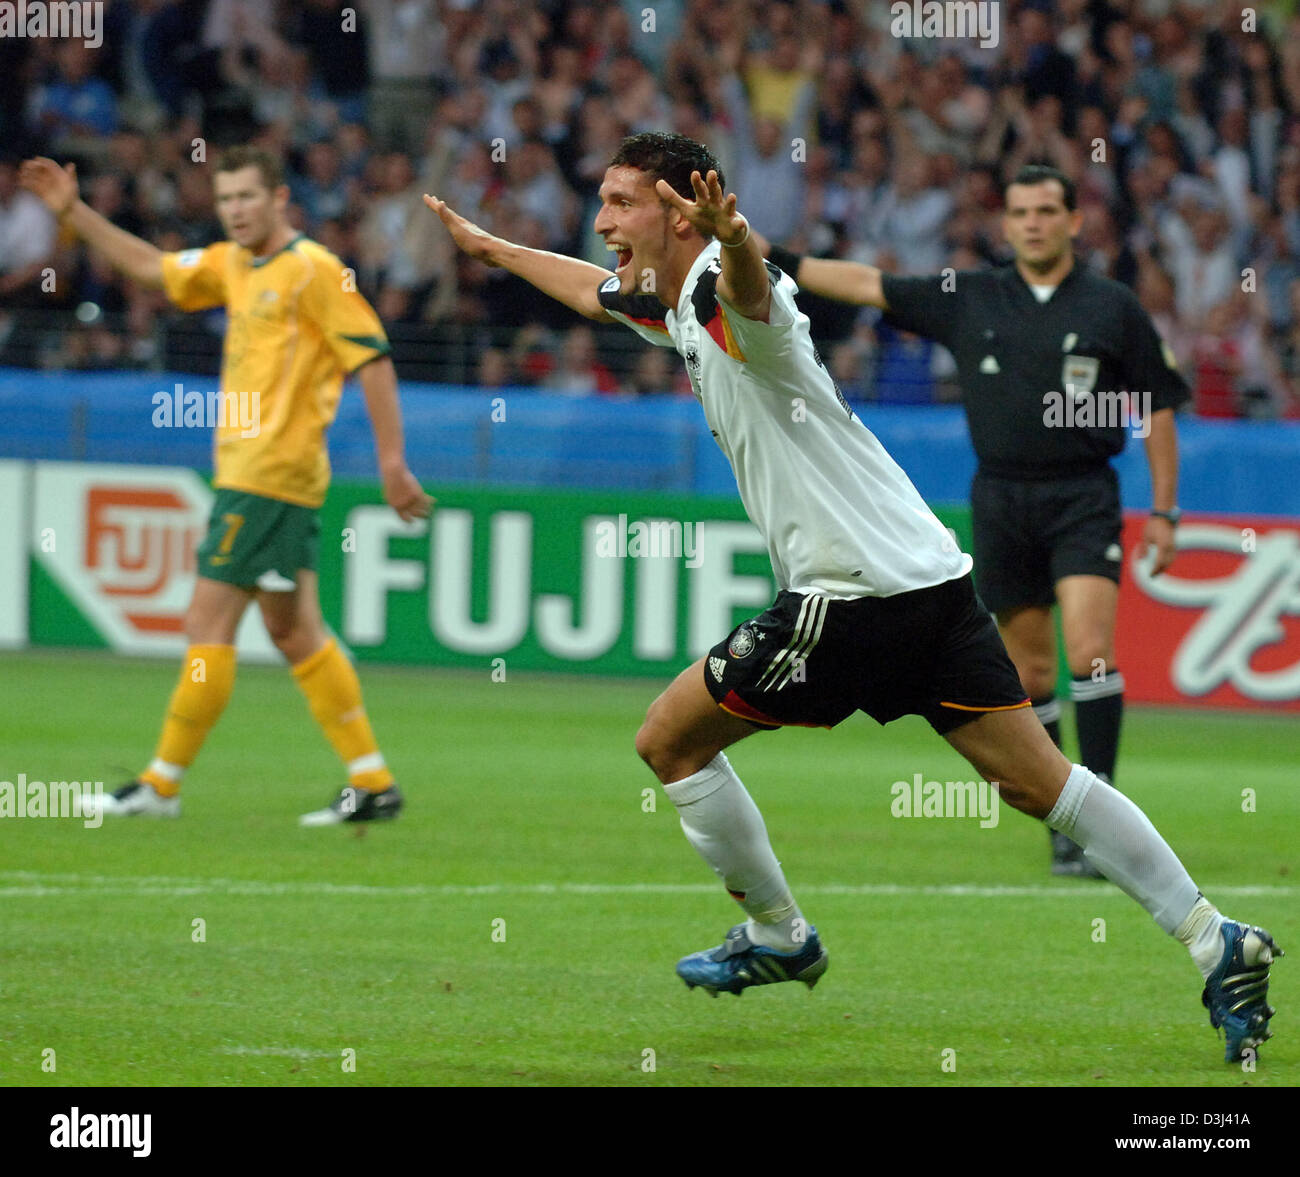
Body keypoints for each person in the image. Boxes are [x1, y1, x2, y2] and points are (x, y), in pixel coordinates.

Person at [423, 133, 1280, 1063]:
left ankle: (781, 935)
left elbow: (752, 294)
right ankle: (1215, 937)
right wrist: (494, 250)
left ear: (679, 213)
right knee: (1042, 782)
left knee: (668, 740)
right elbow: (596, 289)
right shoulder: (677, 301)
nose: (603, 220)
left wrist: (742, 239)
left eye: (622, 202)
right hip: (929, 577)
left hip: (849, 596)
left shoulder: (725, 290)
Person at [763, 164, 1187, 877]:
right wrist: (777, 257)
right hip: (1001, 498)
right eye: (1020, 210)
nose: (1033, 222)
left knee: (1089, 651)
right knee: (1032, 668)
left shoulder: (1113, 307)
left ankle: (1106, 806)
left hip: (1084, 494)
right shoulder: (973, 296)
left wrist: (1168, 510)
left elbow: (1159, 404)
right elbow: (870, 284)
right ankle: (1067, 821)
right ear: (1006, 222)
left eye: (1048, 210)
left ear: (1075, 221)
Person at [20, 147, 431, 826]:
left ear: (279, 200)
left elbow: (375, 358)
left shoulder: (316, 271)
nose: (235, 210)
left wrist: (392, 463)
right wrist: (76, 213)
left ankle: (161, 783)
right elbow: (152, 267)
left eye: (247, 196)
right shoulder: (234, 265)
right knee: (294, 630)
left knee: (206, 621)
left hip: (269, 477)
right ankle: (373, 781)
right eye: (225, 199)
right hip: (258, 478)